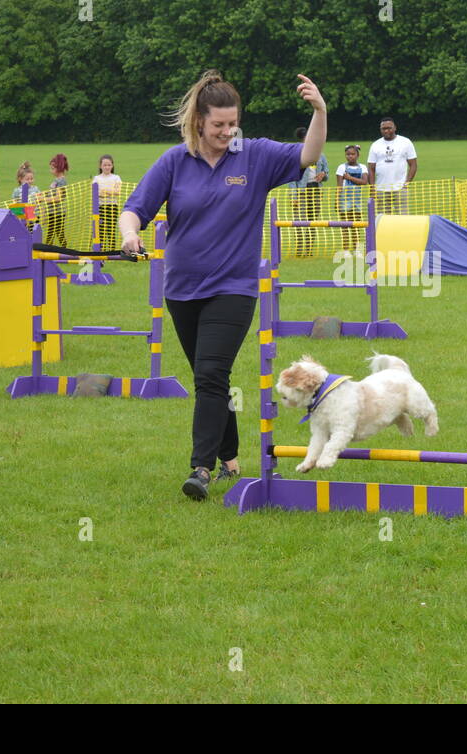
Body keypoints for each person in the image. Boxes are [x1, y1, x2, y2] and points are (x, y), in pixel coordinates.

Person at [119, 70, 327, 501]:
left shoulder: (255, 157)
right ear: (199, 121)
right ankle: (231, 457)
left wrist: (319, 111)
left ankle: (202, 468)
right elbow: (134, 208)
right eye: (219, 125)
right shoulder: (175, 161)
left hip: (234, 286)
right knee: (210, 375)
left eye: (233, 124)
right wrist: (129, 233)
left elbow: (308, 155)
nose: (227, 132)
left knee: (211, 373)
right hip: (182, 288)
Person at [289, 126, 328, 257]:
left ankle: (309, 250)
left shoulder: (321, 155)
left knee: (313, 221)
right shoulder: (296, 154)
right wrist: (294, 196)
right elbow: (291, 177)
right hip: (301, 192)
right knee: (300, 221)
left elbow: (326, 172)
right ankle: (300, 251)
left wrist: (323, 174)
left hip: (315, 190)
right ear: (302, 139)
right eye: (307, 138)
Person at [366, 118, 416, 215]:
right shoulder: (375, 145)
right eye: (383, 128)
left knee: (402, 218)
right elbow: (371, 168)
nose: (386, 131)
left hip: (400, 188)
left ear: (395, 128)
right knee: (383, 219)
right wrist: (372, 188)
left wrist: (406, 184)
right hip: (381, 189)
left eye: (389, 128)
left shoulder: (406, 142)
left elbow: (413, 165)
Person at [335, 144, 368, 252]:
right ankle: (345, 250)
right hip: (344, 200)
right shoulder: (341, 167)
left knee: (356, 226)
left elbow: (364, 182)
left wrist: (349, 177)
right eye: (348, 154)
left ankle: (356, 249)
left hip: (357, 201)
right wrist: (336, 201)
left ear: (358, 155)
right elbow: (339, 186)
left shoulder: (363, 167)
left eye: (353, 154)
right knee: (345, 226)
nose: (350, 156)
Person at [94, 155, 122, 250]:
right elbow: (96, 193)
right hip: (100, 208)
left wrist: (104, 191)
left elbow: (117, 192)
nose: (107, 167)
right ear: (100, 166)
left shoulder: (116, 178)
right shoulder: (96, 178)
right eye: (105, 165)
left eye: (109, 165)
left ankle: (111, 252)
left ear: (112, 166)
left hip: (112, 208)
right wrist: (110, 191)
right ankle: (101, 251)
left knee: (111, 230)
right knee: (100, 230)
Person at [43, 154, 69, 246]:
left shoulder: (61, 181)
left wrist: (44, 199)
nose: (51, 170)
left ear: (59, 168)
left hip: (58, 212)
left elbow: (58, 198)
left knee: (56, 232)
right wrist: (44, 194)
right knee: (55, 232)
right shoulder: (56, 180)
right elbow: (53, 193)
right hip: (52, 211)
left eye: (52, 168)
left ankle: (47, 252)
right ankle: (50, 251)